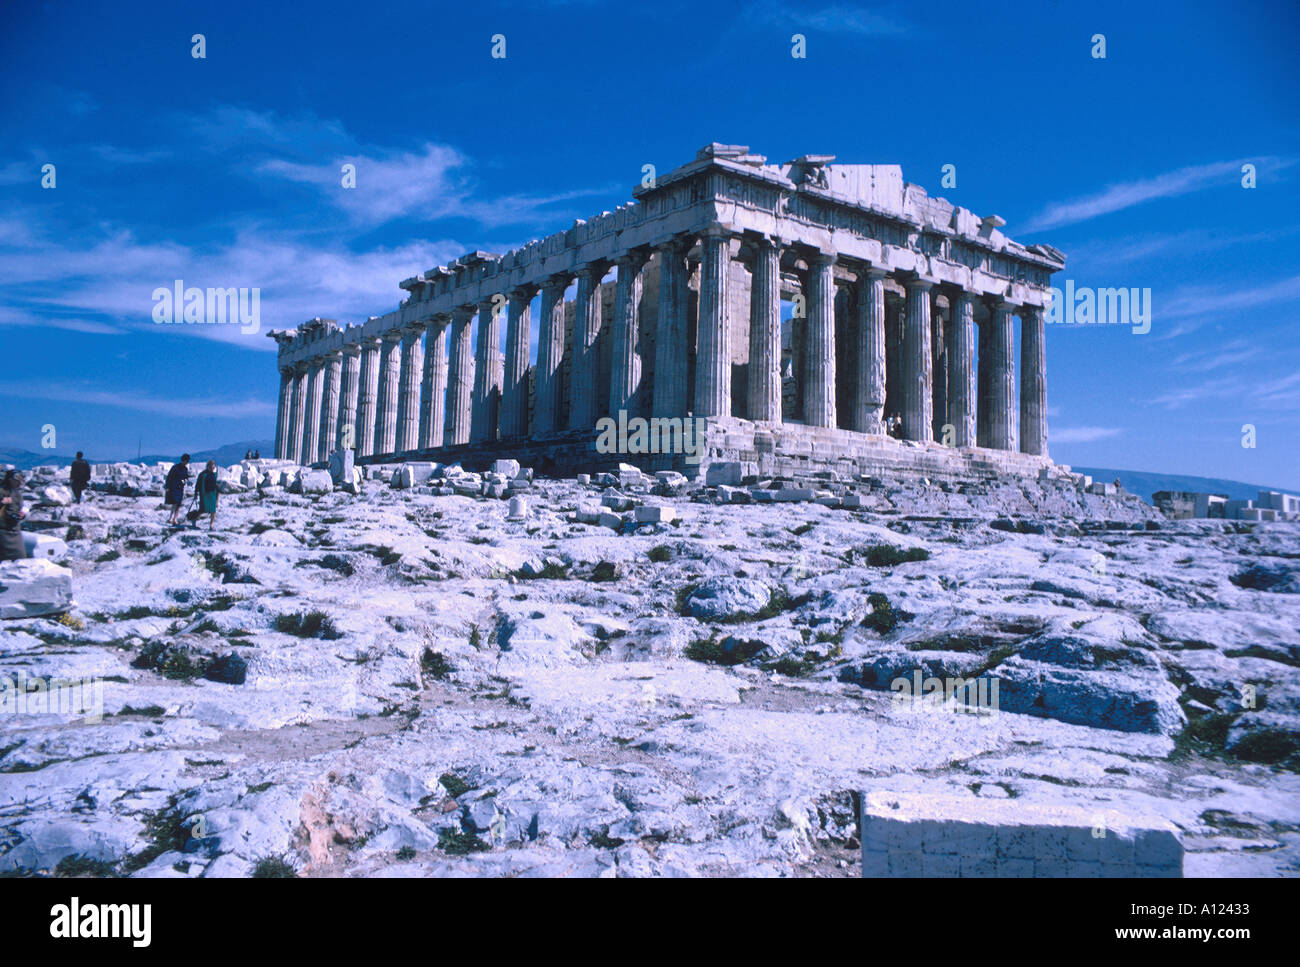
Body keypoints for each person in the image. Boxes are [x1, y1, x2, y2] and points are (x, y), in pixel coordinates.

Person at [1, 469, 27, 561]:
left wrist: (22, 515)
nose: (19, 483)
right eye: (17, 480)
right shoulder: (1, 491)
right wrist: (2, 502)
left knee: (19, 557)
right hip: (2, 532)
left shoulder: (17, 494)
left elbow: (20, 509)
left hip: (14, 531)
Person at [164, 454, 191, 526]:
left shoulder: (185, 469)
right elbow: (169, 477)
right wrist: (167, 487)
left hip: (180, 488)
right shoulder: (175, 468)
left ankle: (175, 519)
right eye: (186, 461)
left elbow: (186, 477)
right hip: (174, 487)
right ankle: (170, 518)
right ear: (183, 460)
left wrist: (185, 481)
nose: (186, 463)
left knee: (178, 504)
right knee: (174, 503)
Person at [195, 459, 219, 530]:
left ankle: (211, 524)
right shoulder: (202, 474)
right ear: (207, 467)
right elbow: (198, 484)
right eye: (211, 467)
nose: (212, 469)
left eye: (213, 468)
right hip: (204, 494)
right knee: (202, 510)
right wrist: (196, 493)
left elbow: (216, 484)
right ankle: (194, 520)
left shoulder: (214, 474)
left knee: (213, 510)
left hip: (212, 494)